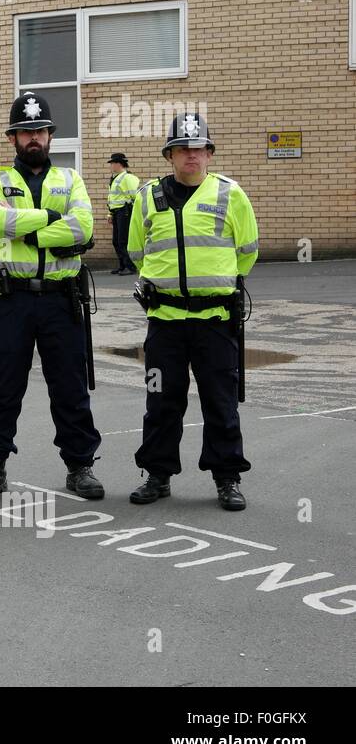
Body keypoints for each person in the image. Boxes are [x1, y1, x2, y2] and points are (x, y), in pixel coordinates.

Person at [0, 92, 104, 500]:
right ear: (13, 137)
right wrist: (51, 221)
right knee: (1, 387)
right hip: (11, 300)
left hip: (61, 301)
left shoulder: (70, 179)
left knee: (70, 387)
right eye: (25, 131)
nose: (33, 138)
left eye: (40, 131)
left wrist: (26, 229)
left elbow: (82, 229)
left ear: (50, 136)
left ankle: (80, 466)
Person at [128, 112, 258, 511]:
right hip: (164, 320)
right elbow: (136, 250)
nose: (191, 156)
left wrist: (213, 284)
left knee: (220, 401)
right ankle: (158, 475)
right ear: (170, 155)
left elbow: (247, 251)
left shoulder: (230, 194)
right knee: (161, 401)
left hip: (215, 320)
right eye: (182, 149)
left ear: (210, 154)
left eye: (198, 149)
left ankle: (226, 478)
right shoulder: (148, 196)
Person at [106, 152, 141, 274]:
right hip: (117, 212)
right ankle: (122, 265)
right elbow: (113, 198)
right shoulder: (115, 178)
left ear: (119, 164)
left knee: (123, 241)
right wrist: (110, 214)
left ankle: (130, 267)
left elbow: (135, 197)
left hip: (124, 212)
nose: (111, 166)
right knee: (116, 241)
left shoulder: (128, 178)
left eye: (112, 163)